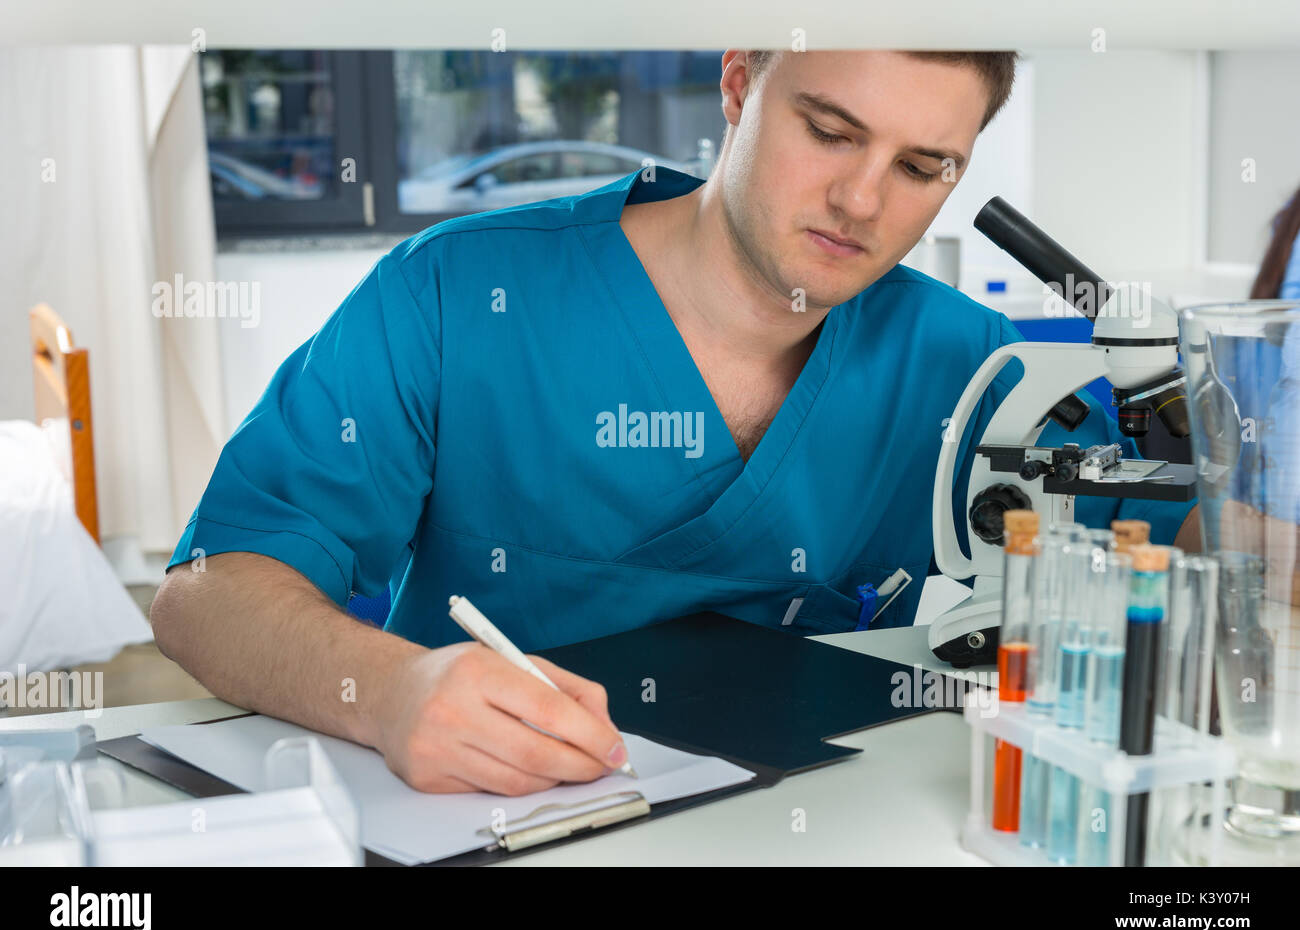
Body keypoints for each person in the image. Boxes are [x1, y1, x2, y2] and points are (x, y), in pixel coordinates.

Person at [152, 50, 1199, 796]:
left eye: (923, 167)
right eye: (830, 131)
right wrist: (388, 690)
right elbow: (204, 596)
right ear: (739, 83)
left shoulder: (971, 367)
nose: (862, 199)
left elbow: (1176, 544)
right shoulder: (457, 294)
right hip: (478, 816)